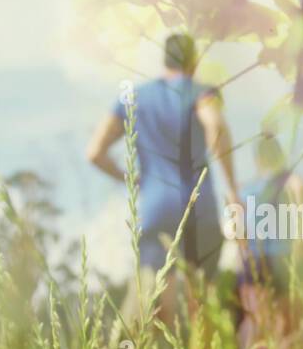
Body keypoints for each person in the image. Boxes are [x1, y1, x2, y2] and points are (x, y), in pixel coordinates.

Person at [86, 33, 240, 321]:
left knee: (151, 302)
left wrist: (131, 180)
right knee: (203, 301)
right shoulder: (201, 93)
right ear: (194, 61)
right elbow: (215, 126)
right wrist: (232, 188)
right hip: (199, 208)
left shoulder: (136, 97)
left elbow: (94, 152)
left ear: (164, 60)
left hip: (155, 205)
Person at [234, 133, 303, 349]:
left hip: (252, 262)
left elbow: (238, 235)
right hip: (283, 260)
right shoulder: (292, 181)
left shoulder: (244, 190)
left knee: (255, 320)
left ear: (257, 158)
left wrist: (241, 264)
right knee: (287, 323)